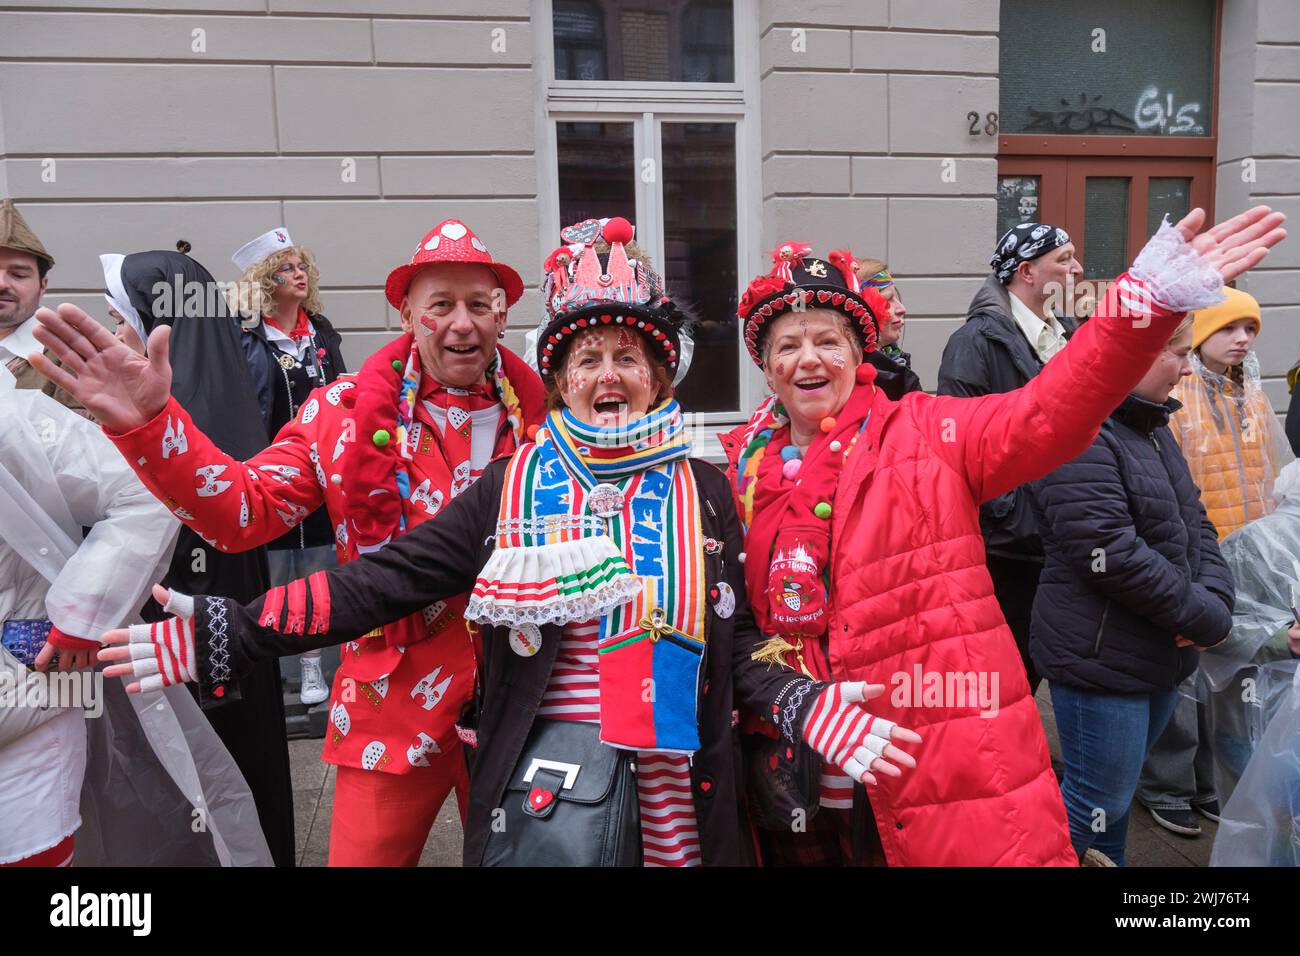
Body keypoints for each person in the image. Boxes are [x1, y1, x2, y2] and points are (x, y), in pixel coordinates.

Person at [66, 216, 921, 867]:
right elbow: (328, 555)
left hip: (605, 733)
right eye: (441, 304)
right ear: (407, 311)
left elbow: (734, 632)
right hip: (458, 719)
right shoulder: (471, 461)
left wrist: (804, 702)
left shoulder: (668, 472)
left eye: (629, 357)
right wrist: (159, 444)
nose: (607, 375)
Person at [720, 207, 1284, 867]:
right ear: (765, 367)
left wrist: (1145, 303)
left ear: (858, 352)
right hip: (790, 771)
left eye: (827, 341)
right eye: (787, 345)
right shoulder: (738, 470)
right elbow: (735, 626)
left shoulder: (929, 433)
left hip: (935, 765)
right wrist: (798, 702)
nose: (808, 359)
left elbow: (1049, 411)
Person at [38, 218, 550, 867]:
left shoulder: (551, 425)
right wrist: (150, 423)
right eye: (441, 304)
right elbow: (241, 511)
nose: (461, 323)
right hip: (385, 708)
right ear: (407, 315)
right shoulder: (339, 410)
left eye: (479, 304)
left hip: (527, 701)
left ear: (503, 316)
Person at [42, 246, 299, 867]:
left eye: (119, 315)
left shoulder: (176, 420)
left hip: (182, 637)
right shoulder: (199, 399)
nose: (114, 331)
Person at [1029, 312, 1233, 865]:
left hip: (1158, 655)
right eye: (1179, 354)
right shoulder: (1078, 430)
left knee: (1111, 806)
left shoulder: (1151, 427)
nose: (1188, 369)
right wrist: (1201, 617)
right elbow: (1109, 554)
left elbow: (1197, 521)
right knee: (1096, 797)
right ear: (1132, 357)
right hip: (1101, 659)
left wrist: (1215, 600)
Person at [1138, 286, 1291, 837]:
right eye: (1229, 328)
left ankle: (1208, 781)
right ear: (1199, 334)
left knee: (1229, 676)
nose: (1242, 339)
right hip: (1195, 551)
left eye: (1250, 329)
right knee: (1184, 675)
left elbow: (1269, 470)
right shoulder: (1178, 398)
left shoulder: (1249, 393)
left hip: (1247, 557)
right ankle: (1167, 785)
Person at [937, 224, 1084, 692]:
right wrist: (1014, 515)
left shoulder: (1071, 335)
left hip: (1071, 537)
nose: (1077, 269)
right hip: (1012, 549)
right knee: (1008, 675)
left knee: (1055, 662)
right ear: (1025, 271)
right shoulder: (976, 343)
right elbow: (956, 446)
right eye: (1063, 259)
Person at [228, 227, 347, 707]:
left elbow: (341, 392)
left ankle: (314, 665)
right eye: (286, 269)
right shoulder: (247, 337)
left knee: (319, 567)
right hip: (271, 467)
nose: (299, 275)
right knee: (275, 571)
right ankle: (276, 666)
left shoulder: (320, 331)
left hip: (319, 468)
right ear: (264, 281)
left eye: (302, 267)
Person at [0, 199, 83, 414]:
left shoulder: (72, 357)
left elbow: (85, 444)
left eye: (18, 275)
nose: (2, 284)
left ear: (42, 285)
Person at [851, 257, 922, 399]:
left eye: (897, 299)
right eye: (888, 300)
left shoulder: (895, 361)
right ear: (864, 311)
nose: (902, 309)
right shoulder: (856, 380)